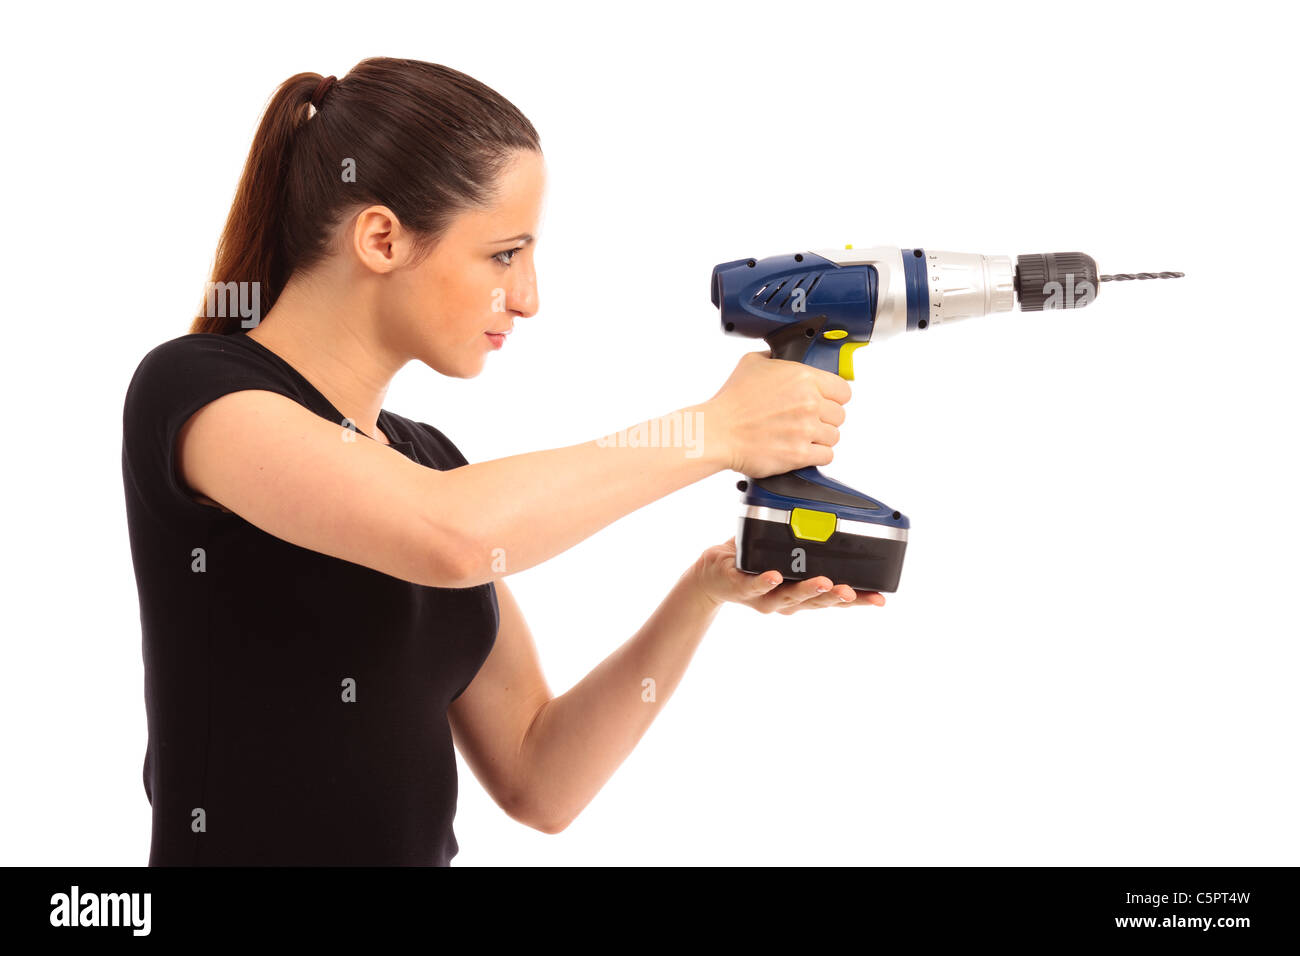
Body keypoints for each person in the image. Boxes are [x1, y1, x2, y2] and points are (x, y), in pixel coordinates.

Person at [120, 57, 883, 866]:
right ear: (381, 238)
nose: (527, 297)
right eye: (503, 255)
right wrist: (717, 430)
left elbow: (541, 777)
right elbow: (452, 538)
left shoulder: (429, 464)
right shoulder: (198, 391)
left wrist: (701, 593)